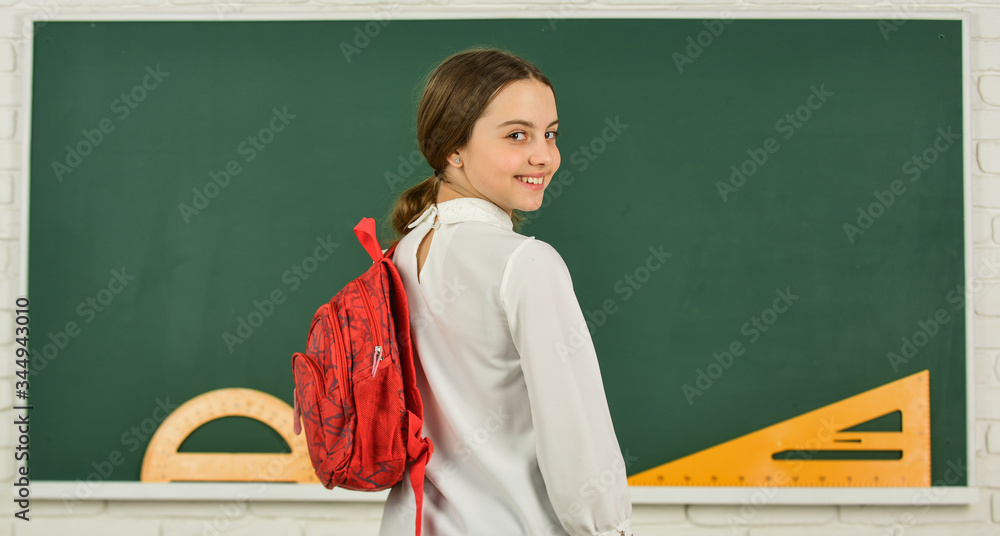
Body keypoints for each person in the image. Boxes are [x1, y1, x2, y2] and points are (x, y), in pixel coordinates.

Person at [378, 47, 634, 536]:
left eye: (550, 134)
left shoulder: (402, 257)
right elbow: (577, 438)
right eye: (517, 135)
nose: (544, 155)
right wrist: (609, 526)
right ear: (453, 148)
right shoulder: (526, 263)